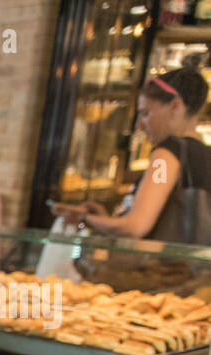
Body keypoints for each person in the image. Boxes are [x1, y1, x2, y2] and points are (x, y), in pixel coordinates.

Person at [54, 65, 211, 243]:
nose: (140, 126)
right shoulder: (205, 154)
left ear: (175, 106)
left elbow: (135, 227)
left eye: (145, 113)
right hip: (188, 269)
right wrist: (105, 218)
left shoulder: (166, 156)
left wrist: (82, 218)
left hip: (155, 269)